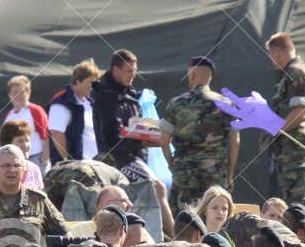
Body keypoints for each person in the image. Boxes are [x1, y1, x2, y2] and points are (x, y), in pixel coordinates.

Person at [160, 56, 237, 208]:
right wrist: (229, 175)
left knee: (184, 221)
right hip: (214, 173)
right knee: (214, 217)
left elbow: (163, 141)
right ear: (210, 77)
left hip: (184, 174)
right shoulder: (226, 104)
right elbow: (235, 143)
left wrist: (173, 166)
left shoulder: (176, 104)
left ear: (192, 75)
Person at [263, 34, 305, 204]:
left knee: (297, 201)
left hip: (296, 149)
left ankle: (300, 231)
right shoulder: (293, 72)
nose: (272, 61)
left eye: (271, 56)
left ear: (277, 54)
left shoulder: (296, 73)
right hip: (290, 150)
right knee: (293, 200)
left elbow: (299, 112)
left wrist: (275, 131)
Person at [92, 49, 145, 168]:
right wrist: (139, 140)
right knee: (159, 186)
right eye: (129, 71)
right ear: (116, 70)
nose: (133, 75)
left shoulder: (131, 94)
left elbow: (136, 125)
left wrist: (150, 134)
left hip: (136, 160)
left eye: (135, 71)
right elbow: (111, 139)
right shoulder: (106, 97)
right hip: (116, 164)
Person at [48, 61, 101, 163]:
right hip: (74, 168)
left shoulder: (90, 103)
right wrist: (69, 162)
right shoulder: (61, 102)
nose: (93, 86)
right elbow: (56, 134)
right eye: (90, 82)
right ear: (77, 81)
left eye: (95, 82)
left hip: (94, 165)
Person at [0, 121, 45, 191]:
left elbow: (40, 200)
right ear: (7, 145)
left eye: (27, 140)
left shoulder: (34, 169)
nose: (25, 145)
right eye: (20, 141)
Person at [3, 75, 50, 169]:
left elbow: (46, 136)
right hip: (15, 161)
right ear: (9, 95)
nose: (18, 96)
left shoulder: (36, 110)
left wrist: (44, 159)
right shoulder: (9, 115)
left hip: (35, 159)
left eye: (22, 92)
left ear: (28, 93)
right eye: (15, 92)